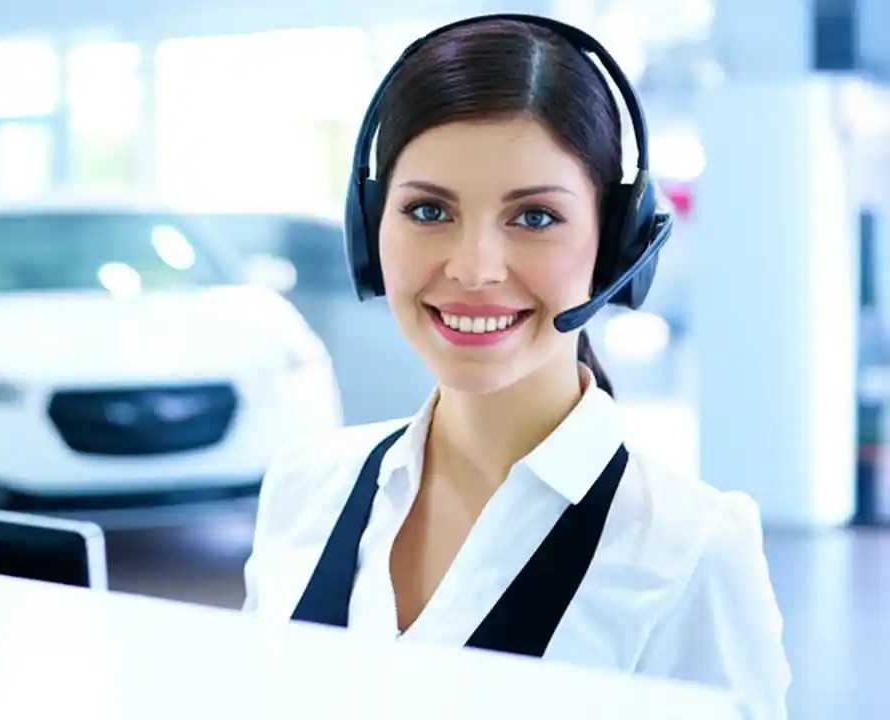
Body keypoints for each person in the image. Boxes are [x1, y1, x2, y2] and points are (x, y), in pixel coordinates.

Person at [241, 14, 791, 719]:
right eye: (429, 209)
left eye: (534, 217)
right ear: (369, 227)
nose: (473, 268)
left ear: (617, 246)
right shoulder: (304, 489)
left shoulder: (689, 549)